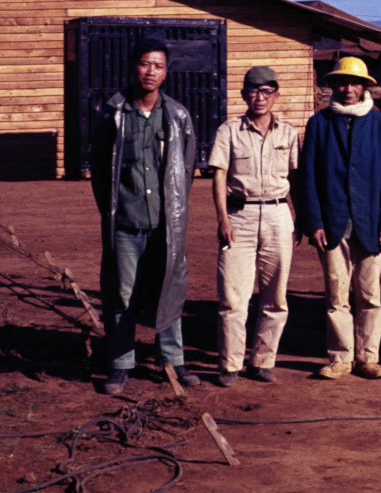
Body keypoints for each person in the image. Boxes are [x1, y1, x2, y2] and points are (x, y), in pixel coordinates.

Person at [90, 38, 199, 394]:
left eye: (158, 66)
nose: (151, 72)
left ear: (166, 73)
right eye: (145, 64)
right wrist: (114, 211)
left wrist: (175, 214)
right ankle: (121, 364)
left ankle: (173, 360)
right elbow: (101, 173)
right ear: (133, 67)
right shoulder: (113, 113)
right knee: (123, 294)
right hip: (125, 225)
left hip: (165, 225)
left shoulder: (177, 116)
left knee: (170, 287)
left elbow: (185, 170)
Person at [298, 57, 381, 380]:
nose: (349, 89)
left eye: (355, 83)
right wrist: (314, 222)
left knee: (369, 294)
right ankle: (341, 357)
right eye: (342, 82)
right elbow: (308, 177)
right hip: (333, 222)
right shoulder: (319, 124)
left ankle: (368, 357)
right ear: (333, 86)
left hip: (370, 222)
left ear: (365, 87)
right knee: (336, 293)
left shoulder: (380, 125)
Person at [208, 66, 300, 387]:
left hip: (277, 216)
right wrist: (222, 218)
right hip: (240, 217)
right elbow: (219, 176)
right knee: (233, 297)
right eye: (253, 91)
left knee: (275, 297)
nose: (260, 98)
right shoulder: (229, 131)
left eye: (266, 92)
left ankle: (262, 361)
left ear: (276, 95)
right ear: (243, 94)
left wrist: (298, 217)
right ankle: (230, 364)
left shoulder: (288, 133)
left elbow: (296, 177)